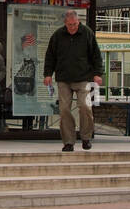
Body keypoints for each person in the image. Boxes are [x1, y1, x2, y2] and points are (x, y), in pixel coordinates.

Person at [42, 9, 104, 151]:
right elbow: (50, 56)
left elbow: (96, 55)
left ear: (78, 22)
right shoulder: (57, 35)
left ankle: (86, 137)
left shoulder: (87, 33)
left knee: (85, 106)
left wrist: (98, 73)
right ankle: (68, 141)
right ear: (65, 23)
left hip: (84, 78)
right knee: (64, 109)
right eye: (70, 25)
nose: (72, 27)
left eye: (75, 24)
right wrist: (47, 74)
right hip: (64, 78)